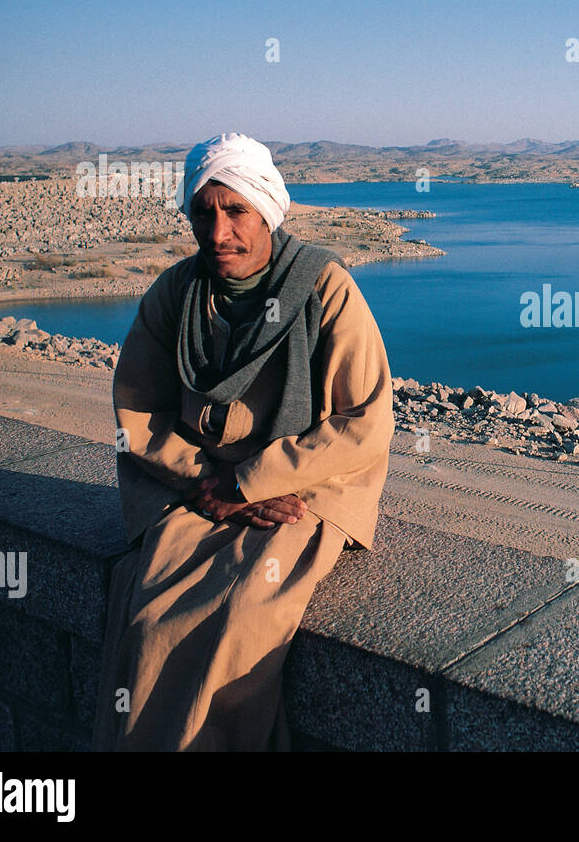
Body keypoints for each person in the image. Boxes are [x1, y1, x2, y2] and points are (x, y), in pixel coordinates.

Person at [93, 132, 395, 749]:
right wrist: (207, 481)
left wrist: (250, 482)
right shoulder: (177, 293)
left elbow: (364, 419)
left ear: (266, 211)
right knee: (149, 614)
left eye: (236, 212)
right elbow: (137, 410)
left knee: (246, 617)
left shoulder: (323, 287)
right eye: (204, 213)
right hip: (198, 484)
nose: (218, 232)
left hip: (306, 487)